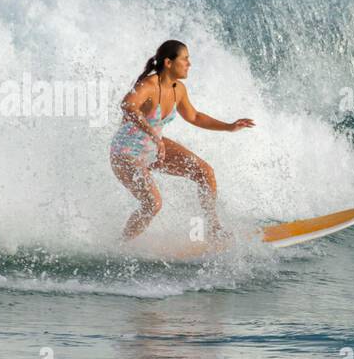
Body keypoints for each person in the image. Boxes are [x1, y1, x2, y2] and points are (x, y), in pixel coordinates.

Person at [109, 40, 254, 242]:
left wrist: (229, 126)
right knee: (153, 204)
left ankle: (214, 230)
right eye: (185, 58)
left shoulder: (179, 89)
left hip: (153, 147)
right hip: (125, 152)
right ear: (168, 63)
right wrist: (152, 134)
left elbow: (194, 116)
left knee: (205, 172)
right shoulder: (149, 85)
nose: (189, 63)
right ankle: (120, 246)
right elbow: (127, 105)